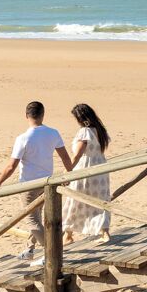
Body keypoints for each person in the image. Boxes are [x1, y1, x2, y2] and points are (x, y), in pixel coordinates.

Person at [0, 101, 73, 263]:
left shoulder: (23, 138)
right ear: (43, 114)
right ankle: (30, 249)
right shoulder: (53, 133)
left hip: (29, 185)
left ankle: (51, 253)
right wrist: (69, 175)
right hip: (47, 183)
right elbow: (65, 157)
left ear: (26, 116)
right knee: (37, 216)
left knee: (32, 220)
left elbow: (11, 166)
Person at [61, 103, 112, 243]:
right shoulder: (100, 131)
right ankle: (105, 233)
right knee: (101, 201)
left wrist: (67, 170)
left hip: (85, 170)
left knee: (74, 200)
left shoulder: (85, 132)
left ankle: (68, 235)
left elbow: (77, 155)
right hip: (100, 170)